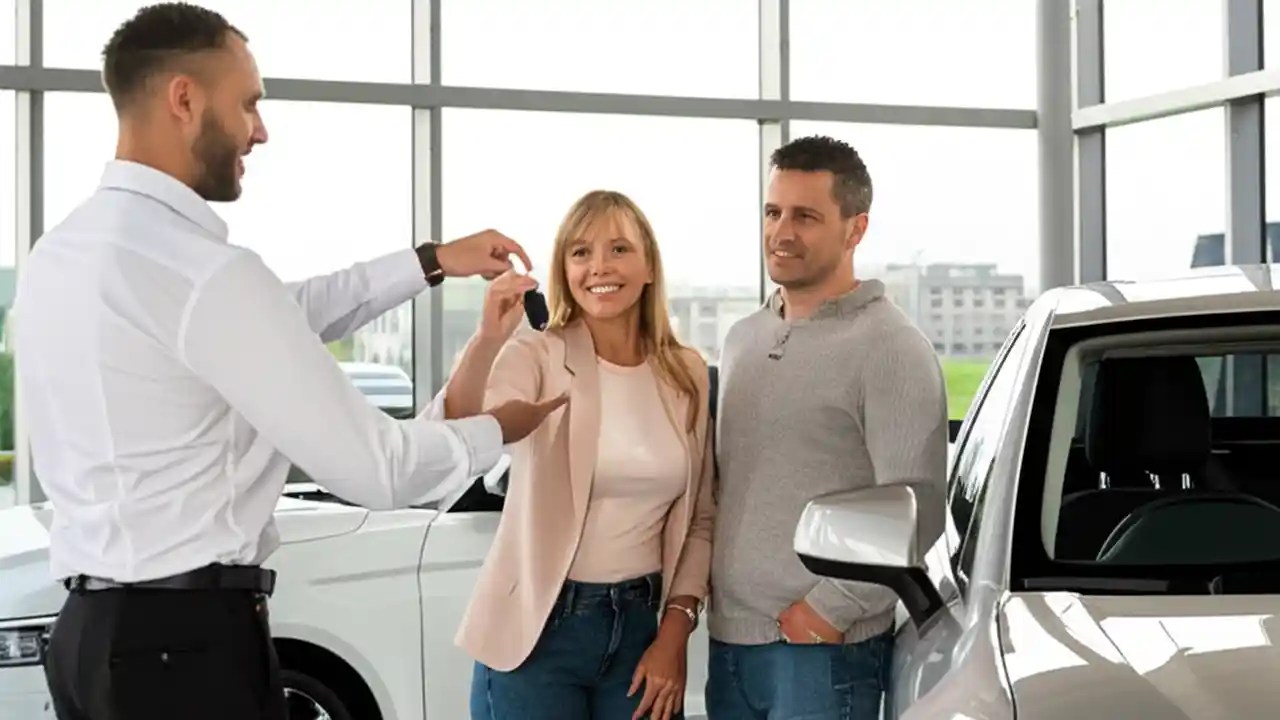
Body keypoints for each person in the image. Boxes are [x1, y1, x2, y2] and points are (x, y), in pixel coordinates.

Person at [14, 4, 565, 720]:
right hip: (186, 654)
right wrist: (498, 428)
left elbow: (283, 314)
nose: (260, 130)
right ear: (185, 98)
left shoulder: (62, 256)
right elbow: (379, 469)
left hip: (88, 642)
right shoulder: (205, 273)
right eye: (249, 103)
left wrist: (430, 262)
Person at [434, 190, 716, 720]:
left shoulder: (687, 374)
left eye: (618, 249)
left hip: (639, 629)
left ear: (649, 265)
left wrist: (675, 631)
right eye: (581, 252)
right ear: (564, 268)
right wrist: (487, 338)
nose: (599, 267)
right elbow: (458, 428)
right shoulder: (538, 354)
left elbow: (700, 517)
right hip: (535, 634)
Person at [705, 135, 948, 719]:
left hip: (821, 653)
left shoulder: (892, 348)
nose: (782, 232)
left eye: (806, 217)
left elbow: (919, 509)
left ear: (855, 229)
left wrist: (829, 612)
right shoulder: (743, 338)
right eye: (773, 212)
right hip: (730, 646)